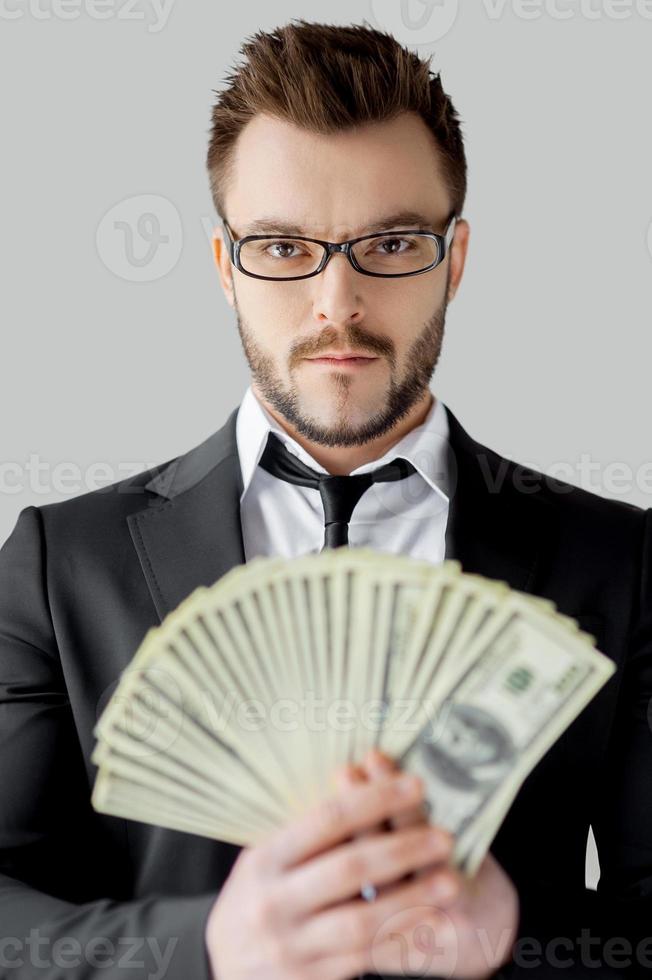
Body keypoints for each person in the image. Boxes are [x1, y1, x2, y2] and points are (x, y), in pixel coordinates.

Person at [1, 18, 650, 980]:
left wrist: (515, 938)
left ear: (454, 261)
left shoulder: (623, 562)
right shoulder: (61, 561)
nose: (336, 302)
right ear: (226, 268)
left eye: (391, 242)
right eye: (283, 247)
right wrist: (207, 948)